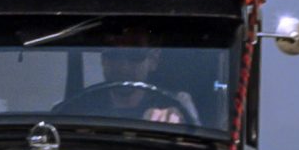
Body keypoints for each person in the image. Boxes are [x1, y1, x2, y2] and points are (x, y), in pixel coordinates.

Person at [62, 28, 200, 125]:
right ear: (103, 61)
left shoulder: (173, 104)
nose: (123, 67)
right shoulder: (80, 106)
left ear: (153, 61)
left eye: (134, 57)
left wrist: (179, 120)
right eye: (113, 56)